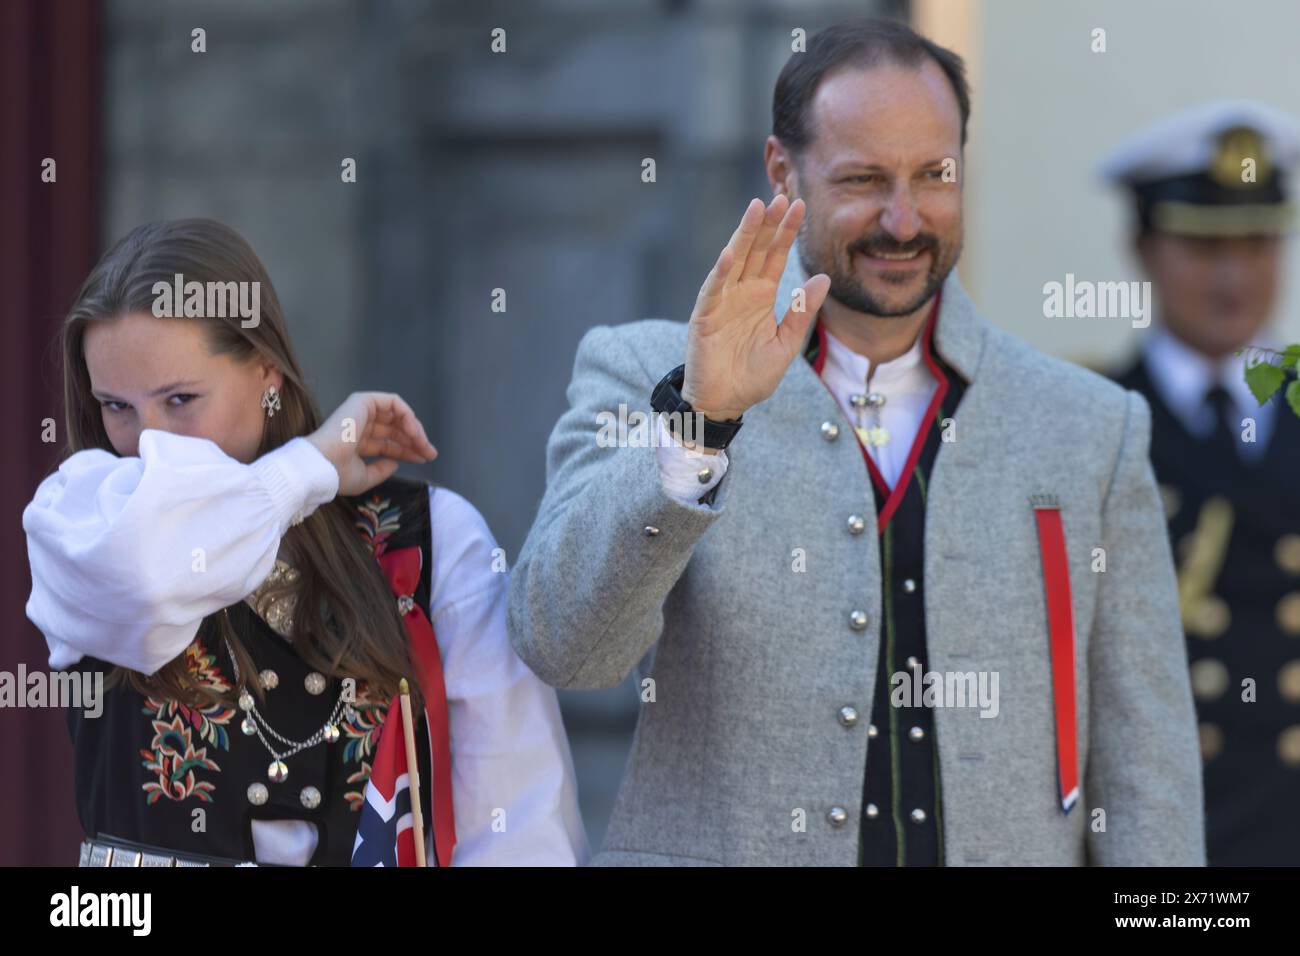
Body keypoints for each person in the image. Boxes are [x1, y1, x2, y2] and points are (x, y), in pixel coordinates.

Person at [508, 18, 1203, 866]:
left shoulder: (1093, 425)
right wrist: (702, 423)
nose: (904, 219)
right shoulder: (643, 370)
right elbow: (564, 649)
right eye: (864, 179)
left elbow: (1149, 787)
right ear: (781, 171)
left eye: (933, 177)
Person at [23, 218, 588, 866]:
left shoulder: (432, 535)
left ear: (267, 375)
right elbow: (150, 569)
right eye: (116, 407)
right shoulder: (81, 520)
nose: (148, 441)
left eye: (179, 399)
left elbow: (517, 823)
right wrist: (312, 462)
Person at [1101, 100, 1300, 866]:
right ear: (1142, 248)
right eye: (1203, 246)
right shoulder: (1100, 426)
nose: (1233, 277)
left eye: (1257, 245)